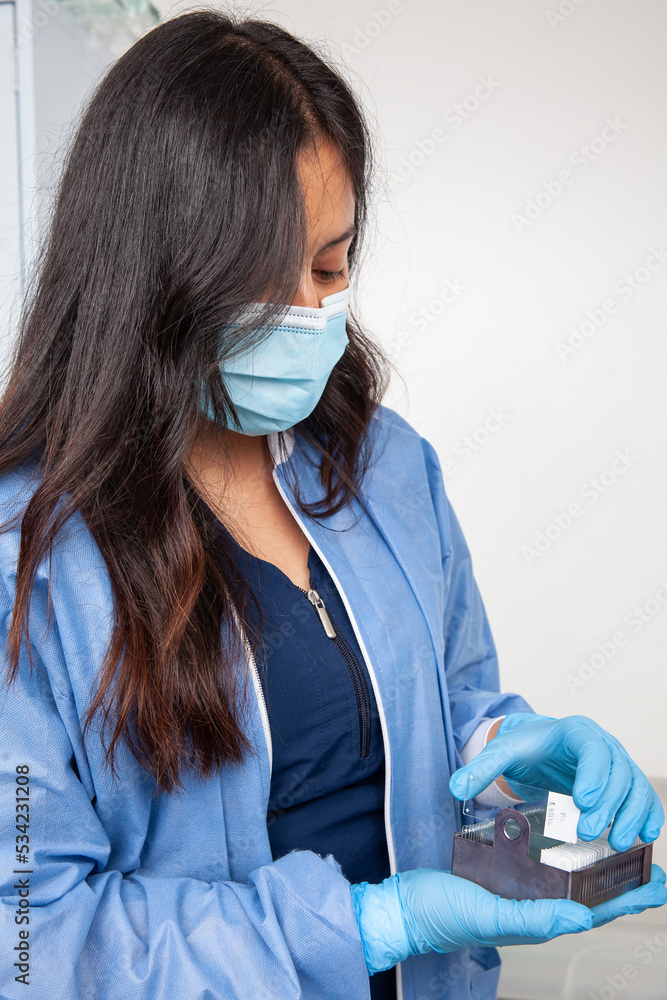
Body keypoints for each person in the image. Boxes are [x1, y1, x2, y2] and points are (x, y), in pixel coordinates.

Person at [0, 9, 664, 1000]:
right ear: (159, 279)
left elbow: (448, 702)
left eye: (332, 264)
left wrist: (506, 762)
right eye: (271, 282)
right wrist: (360, 925)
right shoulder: (33, 560)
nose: (315, 316)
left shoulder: (387, 466)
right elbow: (29, 938)